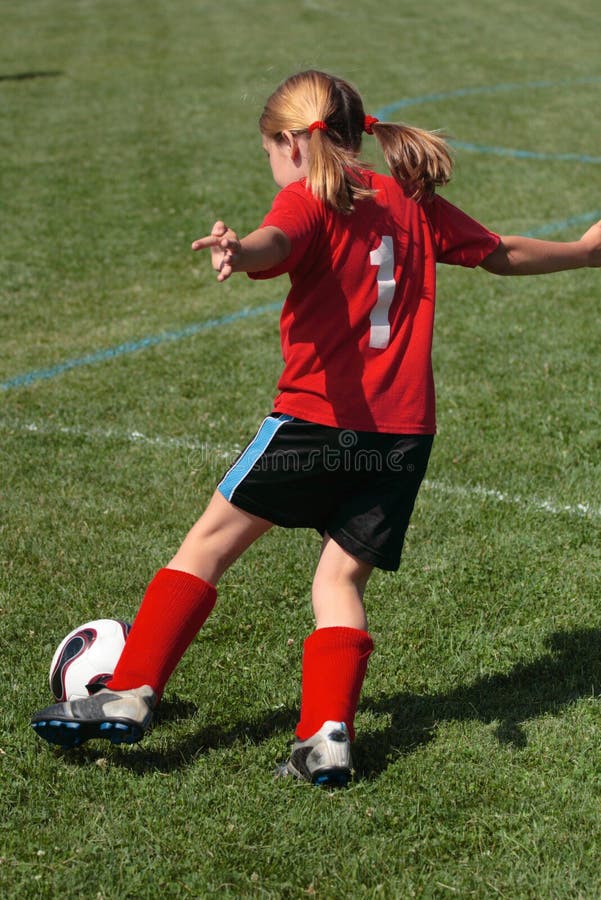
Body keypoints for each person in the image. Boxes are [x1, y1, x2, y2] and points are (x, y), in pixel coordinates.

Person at [31, 70, 601, 786]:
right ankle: (325, 737)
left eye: (269, 150)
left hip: (314, 421)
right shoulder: (410, 200)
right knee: (338, 578)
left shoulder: (309, 195)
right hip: (401, 437)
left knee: (205, 546)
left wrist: (241, 252)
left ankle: (132, 690)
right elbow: (499, 253)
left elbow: (277, 239)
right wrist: (584, 254)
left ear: (291, 145)